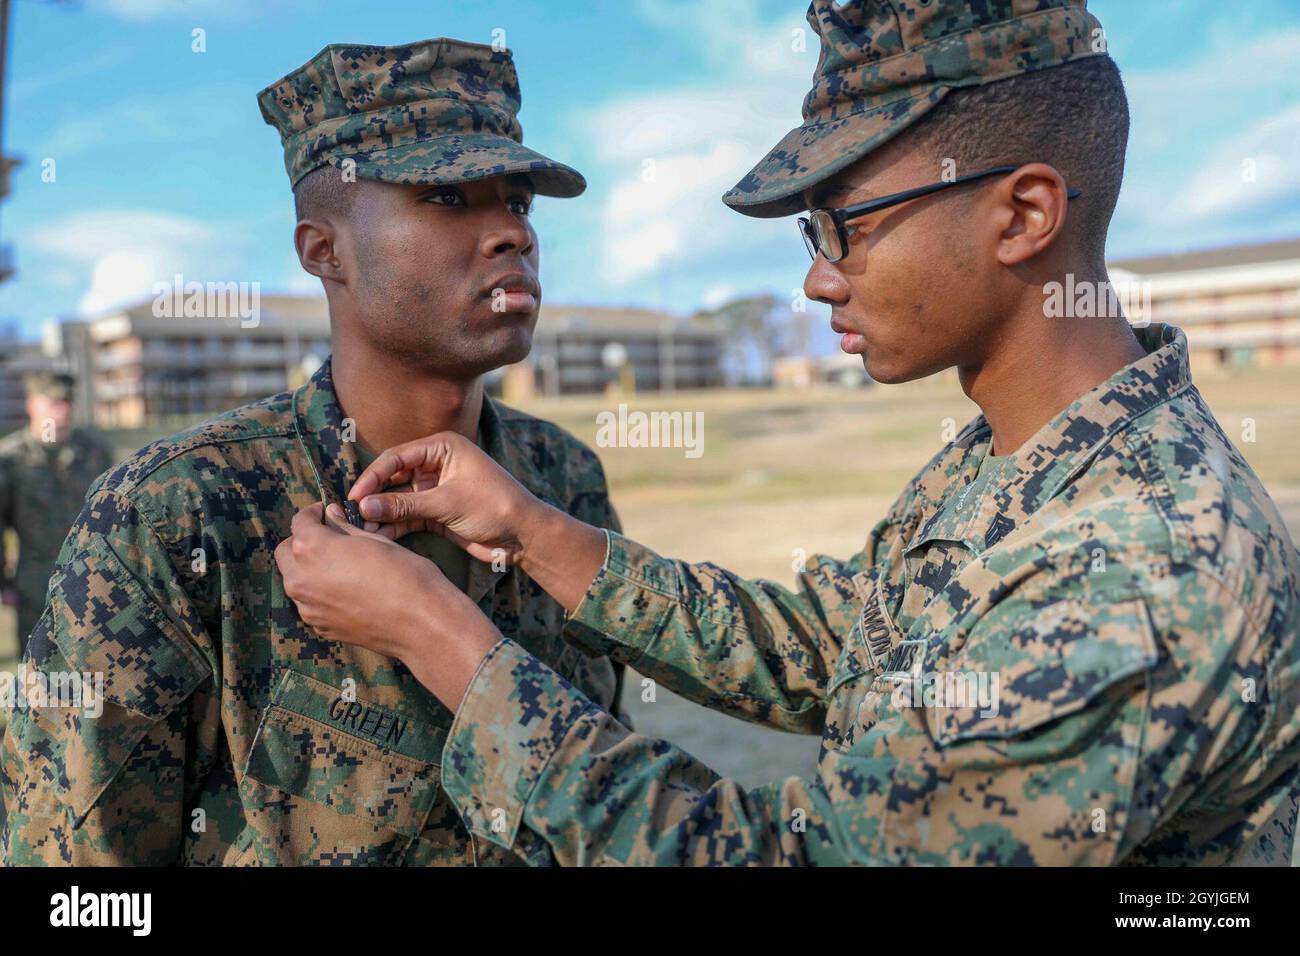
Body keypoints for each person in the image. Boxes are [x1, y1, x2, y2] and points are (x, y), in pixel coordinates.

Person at [275, 0, 1300, 865]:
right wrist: (537, 530)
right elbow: (830, 648)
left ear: (1024, 215)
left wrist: (439, 636)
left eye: (843, 222)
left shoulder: (1138, 568)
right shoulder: (1021, 460)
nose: (816, 276)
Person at [0, 37, 624, 866]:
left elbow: (605, 783)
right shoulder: (176, 512)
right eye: (445, 198)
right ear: (322, 250)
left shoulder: (561, 478)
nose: (511, 232)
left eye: (519, 202)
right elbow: (81, 881)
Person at [0, 372, 114, 655]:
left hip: (91, 583)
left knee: (95, 675)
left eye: (67, 402)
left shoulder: (95, 452)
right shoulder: (11, 458)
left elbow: (113, 518)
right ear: (31, 405)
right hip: (34, 587)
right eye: (52, 402)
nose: (61, 411)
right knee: (38, 676)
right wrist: (3, 583)